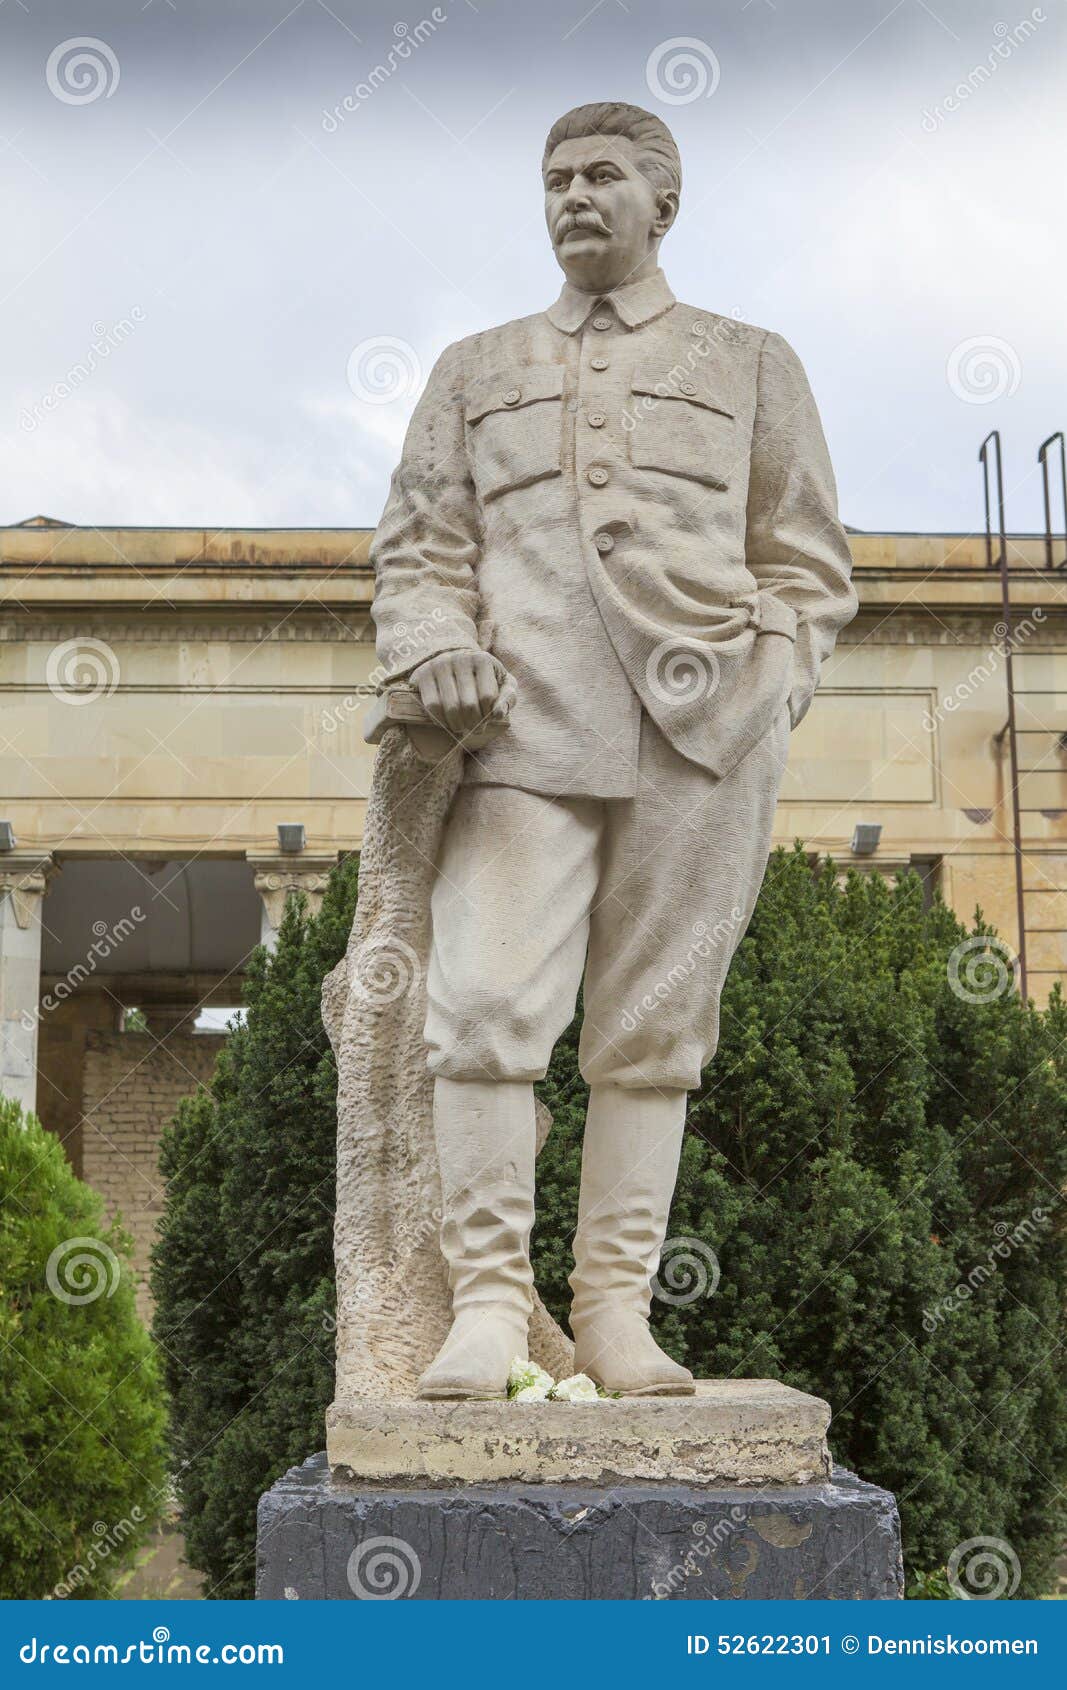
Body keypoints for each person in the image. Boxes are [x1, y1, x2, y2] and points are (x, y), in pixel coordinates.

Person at [370, 101, 857, 1398]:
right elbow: (418, 549)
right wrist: (435, 646)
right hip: (519, 731)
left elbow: (808, 561)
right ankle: (487, 1305)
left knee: (655, 1031)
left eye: (601, 176)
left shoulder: (753, 362)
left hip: (705, 742)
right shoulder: (474, 367)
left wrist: (773, 684)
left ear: (663, 204)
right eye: (555, 180)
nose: (574, 197)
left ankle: (615, 1314)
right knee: (482, 1009)